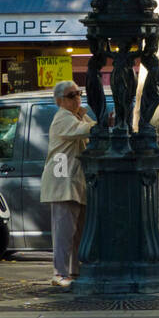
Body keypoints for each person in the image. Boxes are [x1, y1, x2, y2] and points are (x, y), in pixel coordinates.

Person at [41, 81, 96, 288]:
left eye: (78, 93)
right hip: (62, 183)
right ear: (60, 101)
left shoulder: (76, 116)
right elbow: (84, 130)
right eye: (71, 95)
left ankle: (73, 271)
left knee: (76, 233)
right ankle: (60, 273)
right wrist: (99, 125)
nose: (77, 98)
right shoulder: (63, 118)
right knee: (64, 233)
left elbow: (87, 127)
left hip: (73, 183)